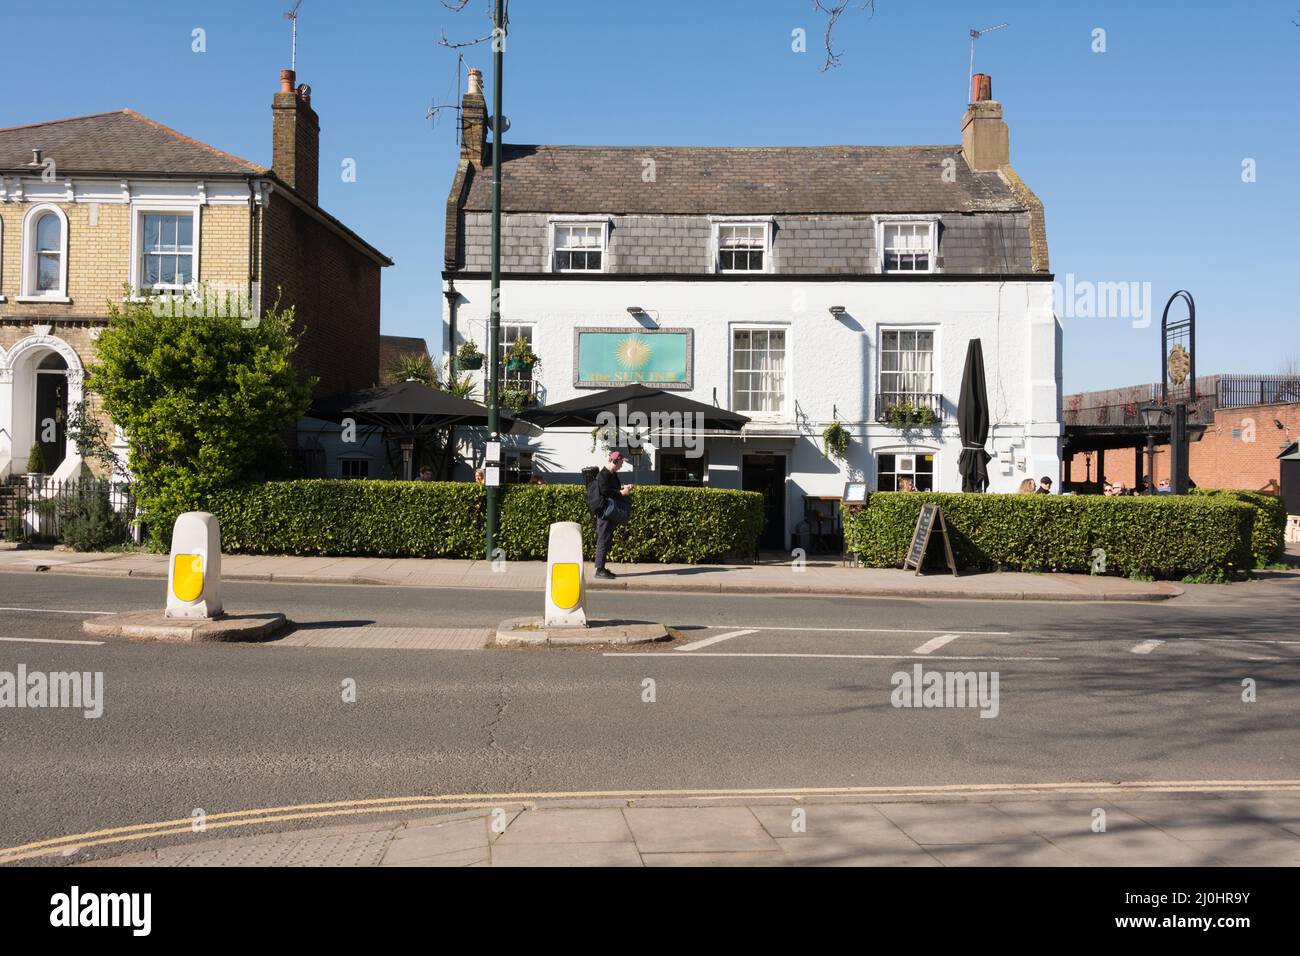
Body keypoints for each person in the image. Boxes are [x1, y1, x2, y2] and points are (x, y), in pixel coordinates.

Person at [593, 451, 633, 579]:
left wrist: (624, 488)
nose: (621, 466)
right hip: (605, 514)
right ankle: (599, 570)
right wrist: (622, 493)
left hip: (610, 513)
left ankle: (602, 568)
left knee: (606, 540)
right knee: (603, 540)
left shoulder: (612, 475)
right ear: (614, 461)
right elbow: (605, 491)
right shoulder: (603, 475)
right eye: (620, 463)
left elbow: (614, 490)